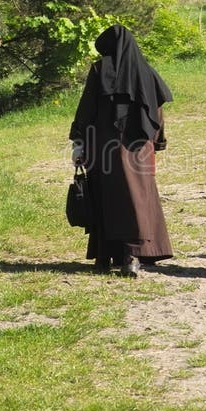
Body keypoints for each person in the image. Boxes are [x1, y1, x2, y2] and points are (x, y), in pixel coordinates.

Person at [69, 24, 173, 277]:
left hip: (104, 146)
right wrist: (158, 142)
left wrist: (79, 142)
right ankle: (131, 256)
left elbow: (87, 109)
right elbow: (156, 112)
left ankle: (104, 256)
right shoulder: (147, 73)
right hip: (139, 147)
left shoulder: (99, 70)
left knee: (106, 196)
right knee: (137, 199)